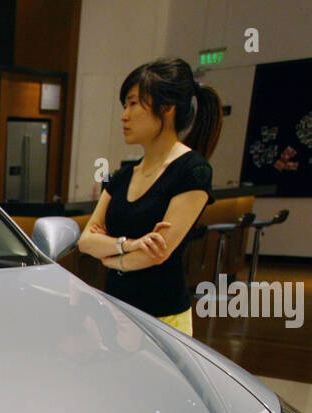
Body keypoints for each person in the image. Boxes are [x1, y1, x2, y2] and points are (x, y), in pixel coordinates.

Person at [77, 57, 223, 336]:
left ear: (166, 108)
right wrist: (130, 245)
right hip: (116, 310)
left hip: (163, 318)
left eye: (133, 103)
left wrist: (110, 257)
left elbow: (156, 254)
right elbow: (85, 242)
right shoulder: (122, 176)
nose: (124, 115)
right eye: (125, 105)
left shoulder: (192, 170)